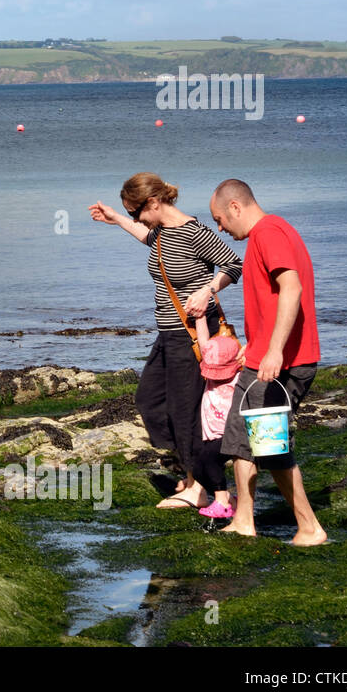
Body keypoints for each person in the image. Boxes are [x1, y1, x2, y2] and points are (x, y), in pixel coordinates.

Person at [90, 172, 243, 509]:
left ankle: (199, 486)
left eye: (135, 211)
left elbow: (234, 264)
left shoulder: (193, 233)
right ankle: (192, 471)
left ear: (154, 203)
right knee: (150, 401)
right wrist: (116, 220)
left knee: (184, 410)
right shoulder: (162, 232)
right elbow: (149, 238)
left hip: (192, 333)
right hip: (168, 333)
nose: (135, 218)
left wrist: (208, 290)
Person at [204, 179, 326, 545]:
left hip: (284, 362)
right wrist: (256, 346)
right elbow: (273, 300)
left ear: (236, 207)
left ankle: (309, 527)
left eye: (220, 220)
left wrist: (273, 350)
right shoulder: (271, 232)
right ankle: (243, 519)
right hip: (262, 360)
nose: (220, 228)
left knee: (270, 448)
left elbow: (292, 288)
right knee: (240, 441)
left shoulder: (269, 232)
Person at [192, 312, 240, 519]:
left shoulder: (239, 376)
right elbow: (203, 340)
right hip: (210, 434)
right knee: (199, 469)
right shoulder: (211, 360)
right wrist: (200, 317)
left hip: (229, 434)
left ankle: (221, 502)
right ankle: (230, 500)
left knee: (210, 461)